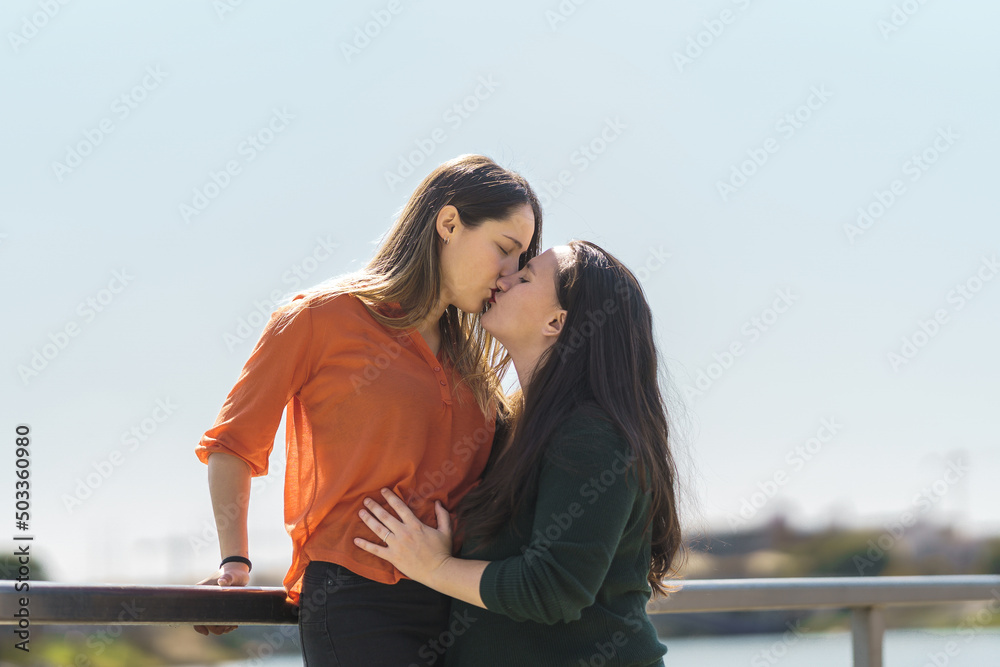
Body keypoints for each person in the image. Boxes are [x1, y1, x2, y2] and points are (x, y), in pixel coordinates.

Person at [191, 154, 543, 666]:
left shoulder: (473, 359)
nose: (509, 274)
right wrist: (235, 563)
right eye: (505, 250)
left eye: (522, 261)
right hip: (358, 602)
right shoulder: (318, 318)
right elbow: (232, 444)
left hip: (465, 605)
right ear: (449, 224)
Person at [355, 240, 683, 667]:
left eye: (525, 278)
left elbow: (553, 589)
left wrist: (432, 567)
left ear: (555, 320)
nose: (504, 279)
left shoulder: (591, 436)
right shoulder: (505, 423)